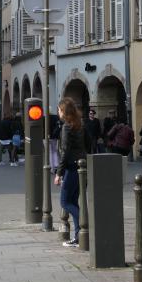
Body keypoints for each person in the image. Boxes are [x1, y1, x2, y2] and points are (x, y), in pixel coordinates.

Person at [54, 97, 86, 248]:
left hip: (71, 168)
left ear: (64, 112)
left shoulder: (67, 127)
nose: (58, 112)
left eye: (59, 109)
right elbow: (90, 143)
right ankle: (79, 236)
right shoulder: (79, 125)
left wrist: (58, 173)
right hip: (81, 166)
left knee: (65, 202)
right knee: (73, 201)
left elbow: (65, 151)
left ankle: (85, 226)